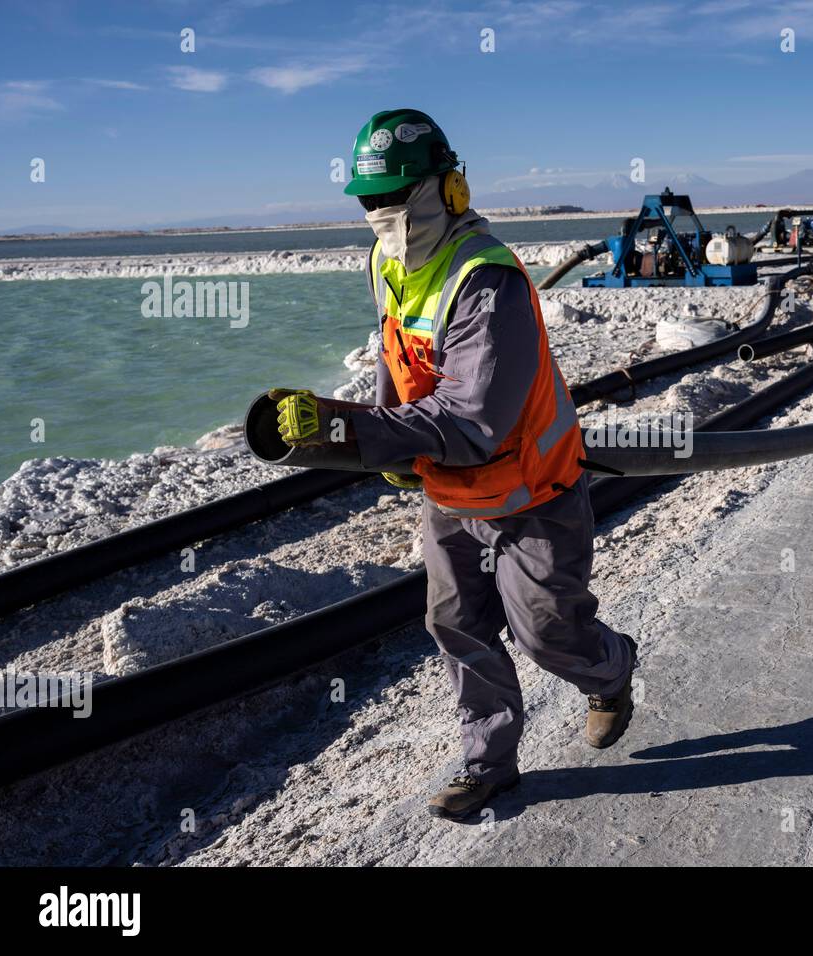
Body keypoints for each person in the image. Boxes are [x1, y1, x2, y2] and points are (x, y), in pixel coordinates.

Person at [271, 109, 637, 821]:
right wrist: (392, 447)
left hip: (532, 491)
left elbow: (472, 421)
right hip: (449, 492)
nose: (383, 214)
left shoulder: (486, 280)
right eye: (370, 200)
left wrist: (350, 429)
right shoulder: (385, 262)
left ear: (451, 189)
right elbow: (393, 353)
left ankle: (611, 669)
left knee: (546, 634)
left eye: (398, 196)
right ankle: (488, 763)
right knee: (458, 628)